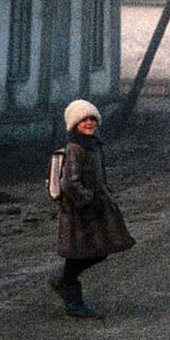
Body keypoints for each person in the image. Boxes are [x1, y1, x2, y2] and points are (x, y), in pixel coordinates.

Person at [47, 99, 134, 319]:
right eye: (84, 119)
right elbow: (69, 183)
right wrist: (87, 199)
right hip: (80, 212)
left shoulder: (92, 144)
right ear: (74, 124)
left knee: (97, 250)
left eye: (92, 118)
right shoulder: (76, 148)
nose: (89, 122)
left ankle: (63, 281)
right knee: (83, 252)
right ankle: (72, 298)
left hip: (94, 207)